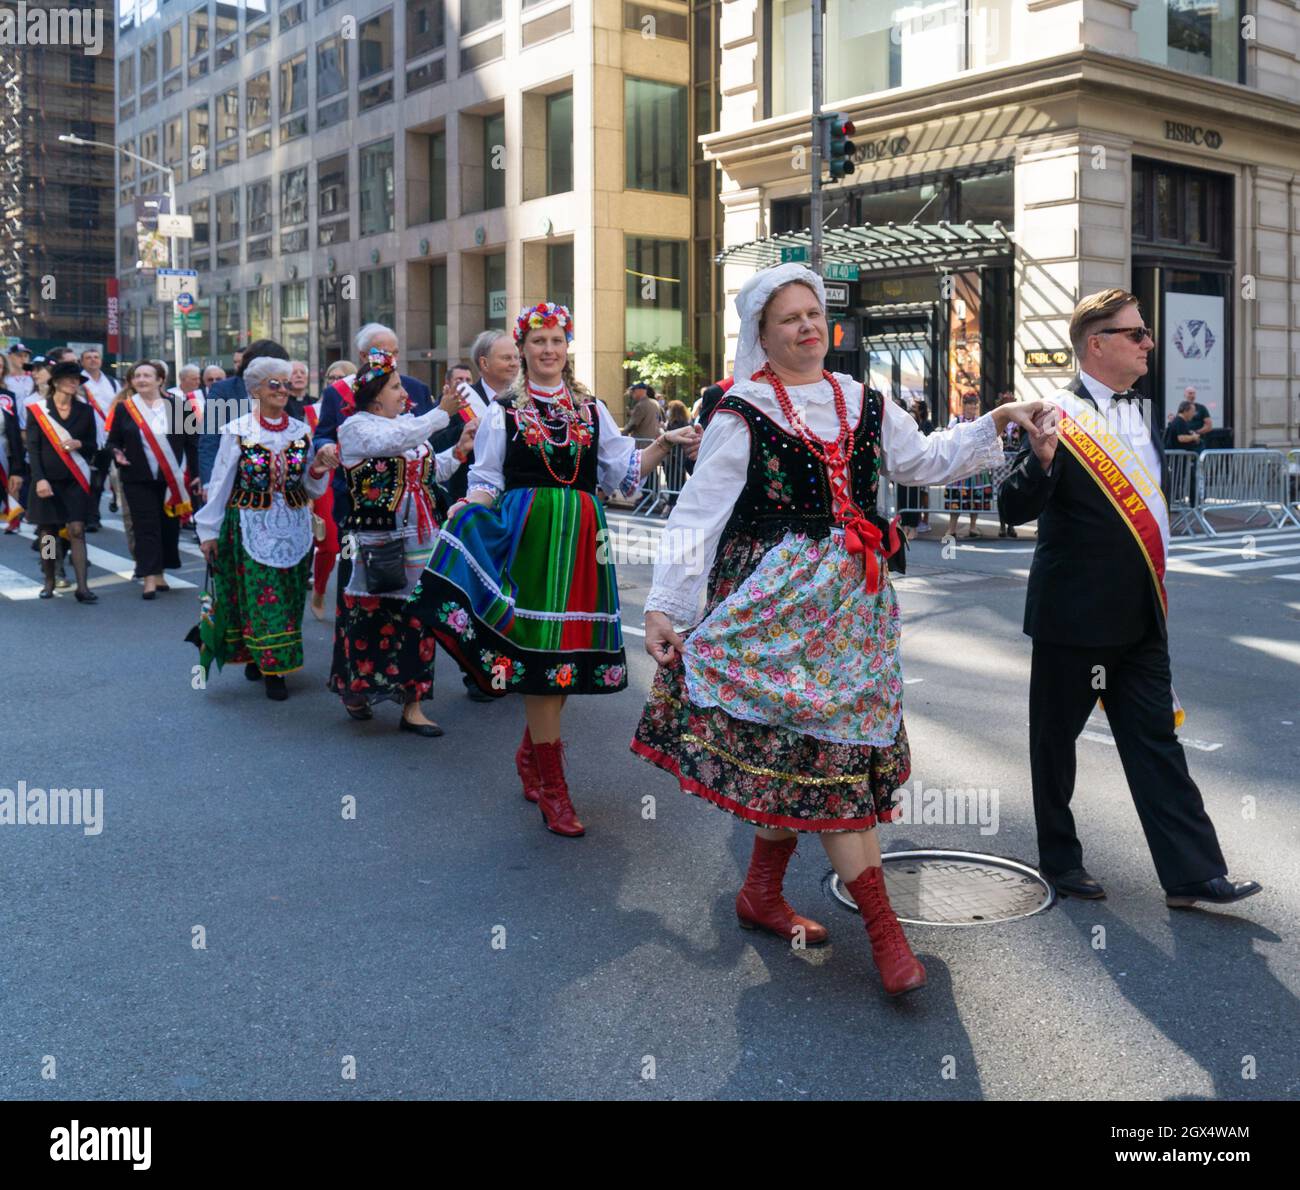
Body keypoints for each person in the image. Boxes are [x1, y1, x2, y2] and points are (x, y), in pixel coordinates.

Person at [633, 264, 1047, 996]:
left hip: (853, 613)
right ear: (762, 335)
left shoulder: (862, 400)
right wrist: (667, 604)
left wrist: (996, 420)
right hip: (771, 609)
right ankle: (885, 936)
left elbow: (922, 461)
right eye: (789, 317)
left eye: (813, 313)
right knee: (823, 762)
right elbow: (699, 513)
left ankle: (761, 893)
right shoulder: (743, 410)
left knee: (809, 755)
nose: (807, 326)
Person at [998, 288, 1260, 909]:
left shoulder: (1146, 413)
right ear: (1097, 344)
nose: (1148, 344)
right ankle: (1060, 862)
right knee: (1055, 746)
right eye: (1136, 334)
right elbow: (1011, 506)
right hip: (1074, 617)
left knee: (1156, 743)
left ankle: (1192, 872)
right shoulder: (1053, 413)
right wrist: (1038, 462)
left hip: (1140, 616)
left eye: (1145, 334)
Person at [409, 301, 701, 837]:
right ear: (522, 349)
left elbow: (622, 475)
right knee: (542, 659)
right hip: (530, 538)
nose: (548, 350)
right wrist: (469, 505)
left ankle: (531, 759)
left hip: (585, 537)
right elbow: (489, 477)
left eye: (556, 341)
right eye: (538, 341)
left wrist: (663, 441)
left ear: (567, 349)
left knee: (563, 659)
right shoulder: (504, 411)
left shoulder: (591, 410)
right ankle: (555, 788)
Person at [328, 350, 476, 733]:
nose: (403, 393)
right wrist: (441, 412)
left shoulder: (408, 425)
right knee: (371, 616)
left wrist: (460, 449)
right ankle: (358, 689)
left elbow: (429, 472)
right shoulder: (357, 428)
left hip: (422, 538)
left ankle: (413, 706)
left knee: (417, 618)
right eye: (395, 386)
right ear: (376, 395)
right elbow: (392, 442)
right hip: (376, 539)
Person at [195, 357, 339, 700]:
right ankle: (273, 666)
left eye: (286, 384)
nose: (282, 390)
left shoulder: (300, 430)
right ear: (255, 390)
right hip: (249, 524)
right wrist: (208, 532)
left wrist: (318, 467)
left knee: (289, 596)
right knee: (261, 594)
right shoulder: (238, 430)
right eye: (274, 384)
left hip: (293, 525)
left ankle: (263, 655)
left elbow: (311, 486)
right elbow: (220, 482)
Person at [106, 360, 199, 599]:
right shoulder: (125, 408)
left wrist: (197, 474)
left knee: (167, 526)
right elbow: (113, 441)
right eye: (137, 376)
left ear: (160, 380)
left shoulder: (178, 406)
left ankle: (160, 573)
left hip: (170, 478)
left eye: (147, 375)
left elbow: (192, 442)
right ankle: (148, 576)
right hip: (137, 478)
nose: (141, 380)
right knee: (145, 526)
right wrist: (116, 453)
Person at [24, 360, 100, 602]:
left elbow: (92, 446)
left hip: (74, 480)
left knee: (77, 530)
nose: (73, 383)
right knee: (48, 534)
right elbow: (33, 449)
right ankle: (48, 581)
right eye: (69, 378)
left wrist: (80, 444)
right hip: (47, 480)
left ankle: (83, 587)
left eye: (77, 379)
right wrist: (39, 480)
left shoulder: (85, 411)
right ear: (55, 382)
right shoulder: (38, 410)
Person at [304, 363, 353, 621]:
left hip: (350, 479)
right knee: (329, 543)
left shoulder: (358, 409)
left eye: (342, 378)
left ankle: (347, 597)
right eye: (331, 377)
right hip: (323, 478)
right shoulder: (310, 411)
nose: (336, 381)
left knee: (349, 545)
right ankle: (320, 589)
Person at [942, 392, 994, 538]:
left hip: (975, 465)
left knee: (975, 496)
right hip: (959, 465)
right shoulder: (955, 421)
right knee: (956, 497)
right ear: (964, 405)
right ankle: (951, 528)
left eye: (975, 404)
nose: (973, 406)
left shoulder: (980, 421)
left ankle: (973, 526)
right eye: (970, 403)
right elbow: (948, 440)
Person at [80, 348, 120, 531]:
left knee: (99, 479)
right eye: (88, 358)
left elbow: (119, 406)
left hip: (107, 437)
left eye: (96, 357)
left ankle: (93, 514)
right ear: (82, 361)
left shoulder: (112, 383)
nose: (92, 360)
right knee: (86, 478)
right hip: (86, 436)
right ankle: (87, 515)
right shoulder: (79, 382)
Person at [897, 398, 935, 540]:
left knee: (914, 498)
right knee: (902, 498)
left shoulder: (922, 430)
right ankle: (905, 525)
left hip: (915, 469)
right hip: (902, 469)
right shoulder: (900, 432)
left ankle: (913, 526)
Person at [992, 390, 1023, 539]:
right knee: (1000, 493)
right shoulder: (997, 419)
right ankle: (1002, 526)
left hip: (1014, 459)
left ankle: (1011, 526)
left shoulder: (1019, 420)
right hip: (1000, 461)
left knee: (1012, 492)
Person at [467, 328, 521, 407]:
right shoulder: (462, 401)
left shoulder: (525, 402)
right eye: (506, 358)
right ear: (484, 363)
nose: (514, 364)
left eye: (516, 358)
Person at [1, 379, 27, 531]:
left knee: (11, 483)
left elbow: (13, 427)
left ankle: (14, 517)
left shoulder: (7, 396)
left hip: (3, 445)